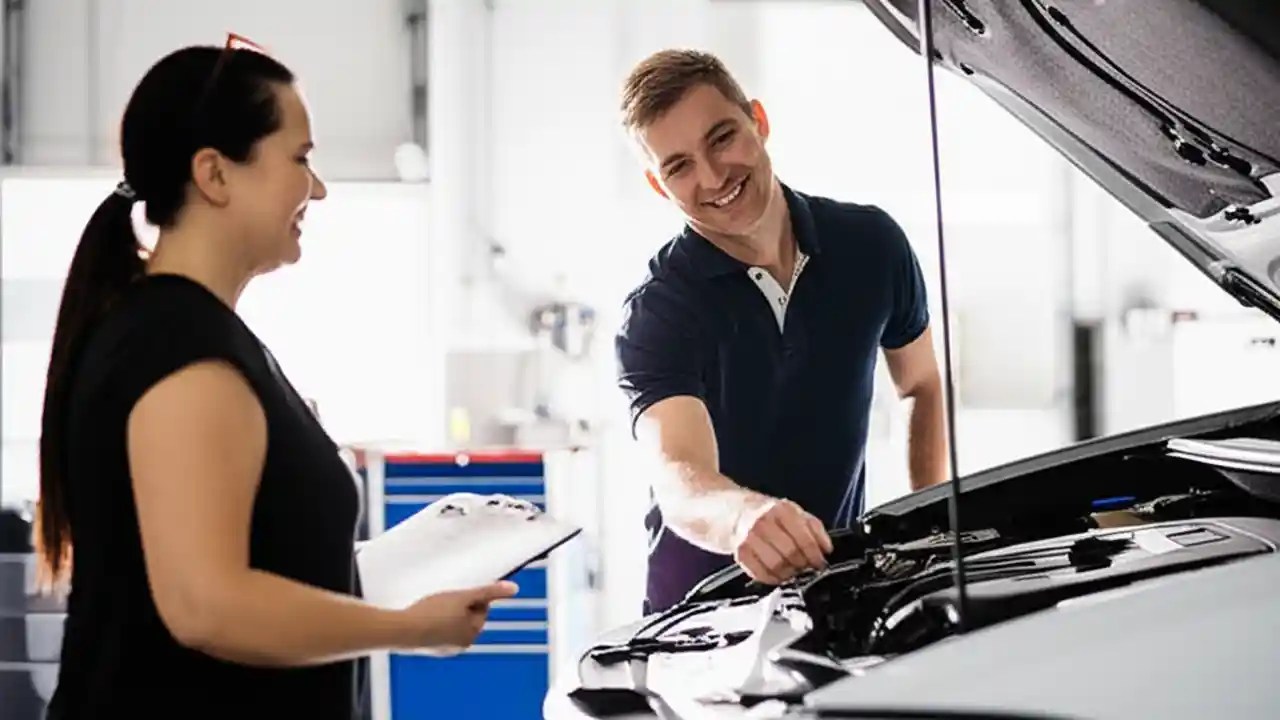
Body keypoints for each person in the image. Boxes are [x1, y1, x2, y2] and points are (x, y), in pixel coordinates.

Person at [34, 42, 516, 718]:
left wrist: (392, 575)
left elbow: (249, 559)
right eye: (300, 158)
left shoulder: (192, 334)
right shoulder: (182, 352)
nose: (316, 187)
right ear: (215, 175)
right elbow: (208, 606)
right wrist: (415, 629)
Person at [615, 49, 948, 613]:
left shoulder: (872, 245)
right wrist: (745, 517)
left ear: (759, 122)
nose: (713, 177)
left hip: (835, 592)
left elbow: (921, 385)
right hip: (697, 620)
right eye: (679, 166)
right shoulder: (658, 311)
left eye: (722, 138)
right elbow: (679, 476)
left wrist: (929, 525)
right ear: (657, 184)